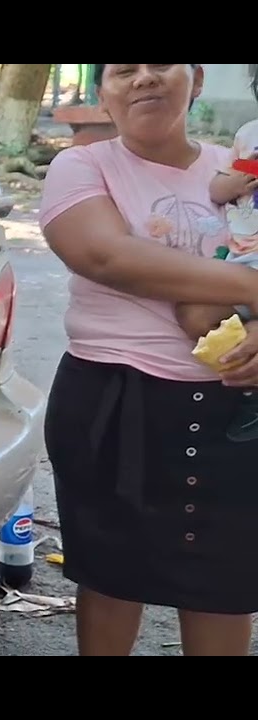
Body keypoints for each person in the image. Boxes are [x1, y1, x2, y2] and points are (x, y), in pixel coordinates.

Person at [40, 63, 258, 656]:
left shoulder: (240, 166)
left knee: (225, 583)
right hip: (114, 399)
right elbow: (105, 256)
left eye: (160, 64)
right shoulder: (83, 166)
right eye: (122, 70)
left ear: (198, 78)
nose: (143, 79)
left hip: (235, 412)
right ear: (102, 92)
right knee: (110, 576)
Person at [184, 72, 258, 439]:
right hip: (243, 258)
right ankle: (248, 386)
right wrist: (236, 184)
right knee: (194, 311)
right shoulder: (250, 134)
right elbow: (219, 186)